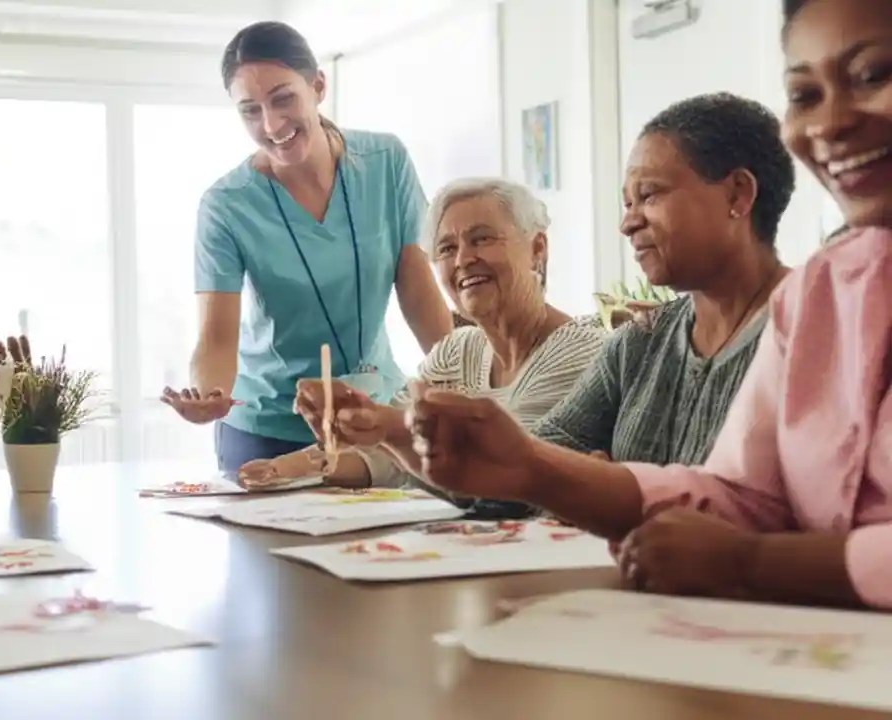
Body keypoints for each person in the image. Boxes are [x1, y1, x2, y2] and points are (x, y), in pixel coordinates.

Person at [406, 0, 892, 610]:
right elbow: (747, 496)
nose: (829, 123)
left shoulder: (776, 307)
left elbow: (752, 539)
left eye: (874, 75)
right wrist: (532, 467)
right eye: (804, 94)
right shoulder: (822, 293)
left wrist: (752, 563)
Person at [160, 21, 452, 472]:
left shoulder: (386, 162)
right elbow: (217, 335)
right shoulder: (226, 205)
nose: (271, 124)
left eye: (282, 99)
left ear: (317, 85)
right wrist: (209, 394)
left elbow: (416, 289)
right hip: (267, 427)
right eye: (250, 111)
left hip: (373, 419)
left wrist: (462, 379)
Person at [247, 179, 604, 520]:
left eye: (481, 239)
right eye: (447, 248)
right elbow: (388, 457)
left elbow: (504, 471)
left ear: (537, 249)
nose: (463, 259)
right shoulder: (457, 350)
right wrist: (286, 468)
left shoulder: (583, 352)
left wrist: (384, 426)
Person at [530, 92, 796, 466]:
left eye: (649, 195)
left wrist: (611, 490)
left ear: (738, 194)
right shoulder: (641, 341)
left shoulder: (814, 335)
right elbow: (536, 456)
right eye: (628, 204)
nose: (628, 224)